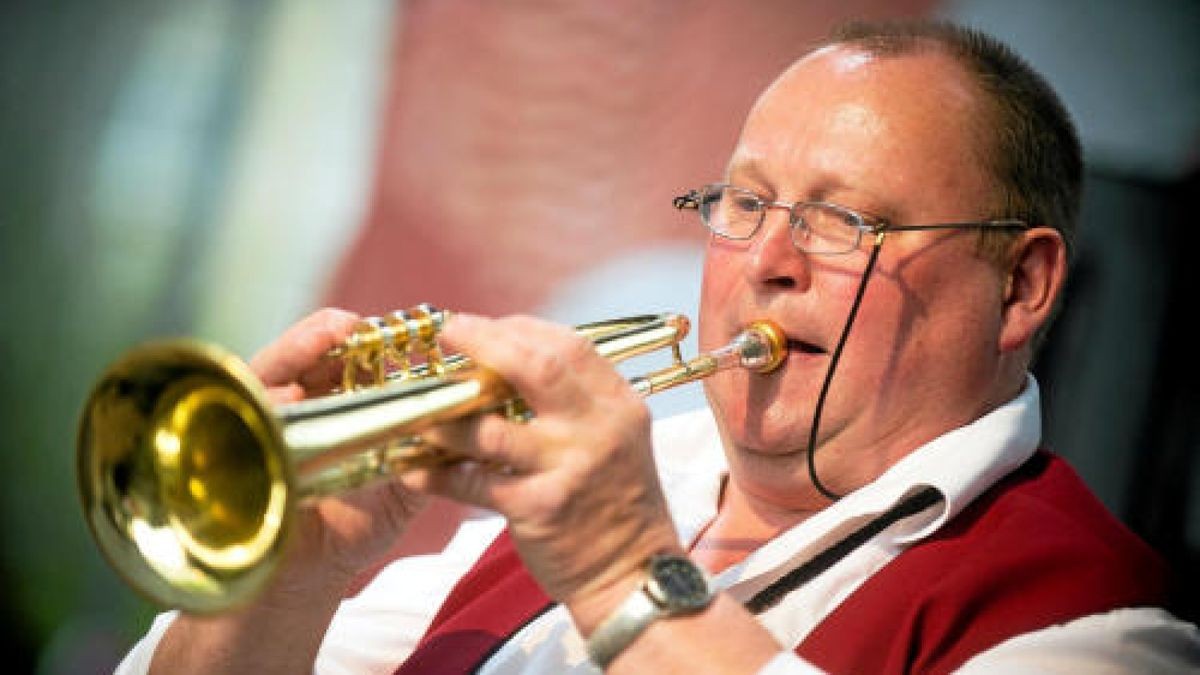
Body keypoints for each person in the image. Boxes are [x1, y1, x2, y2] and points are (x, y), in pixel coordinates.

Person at [116, 19, 1199, 674]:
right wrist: (284, 583)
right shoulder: (627, 486)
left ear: (1021, 286)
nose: (765, 262)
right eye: (742, 203)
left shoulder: (1105, 626)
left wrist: (619, 573)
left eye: (842, 221)